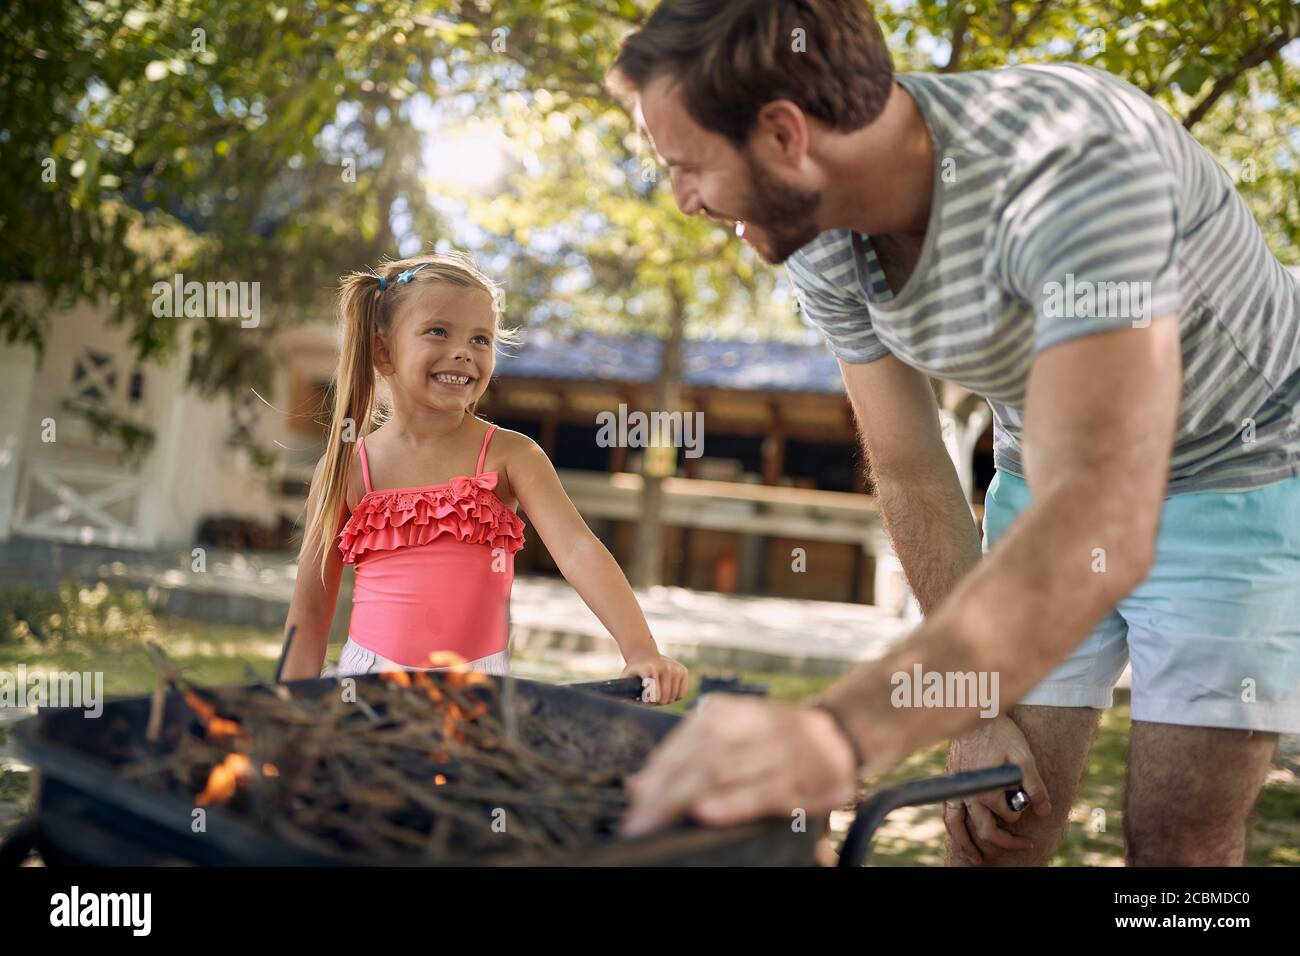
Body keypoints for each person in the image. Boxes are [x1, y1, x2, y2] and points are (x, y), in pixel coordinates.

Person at [610, 0, 1300, 864]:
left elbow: (1102, 524)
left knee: (1177, 847)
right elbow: (907, 466)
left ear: (786, 135)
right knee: (992, 825)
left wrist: (834, 737)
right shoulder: (821, 235)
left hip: (1241, 469)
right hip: (1046, 477)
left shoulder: (1080, 164)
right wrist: (975, 705)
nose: (683, 201)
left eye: (688, 167)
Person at [279, 252, 688, 703]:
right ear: (383, 351)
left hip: (479, 695)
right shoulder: (348, 467)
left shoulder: (511, 456)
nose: (463, 351)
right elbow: (312, 610)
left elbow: (577, 549)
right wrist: (284, 711)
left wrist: (640, 649)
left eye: (481, 338)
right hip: (369, 688)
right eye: (438, 331)